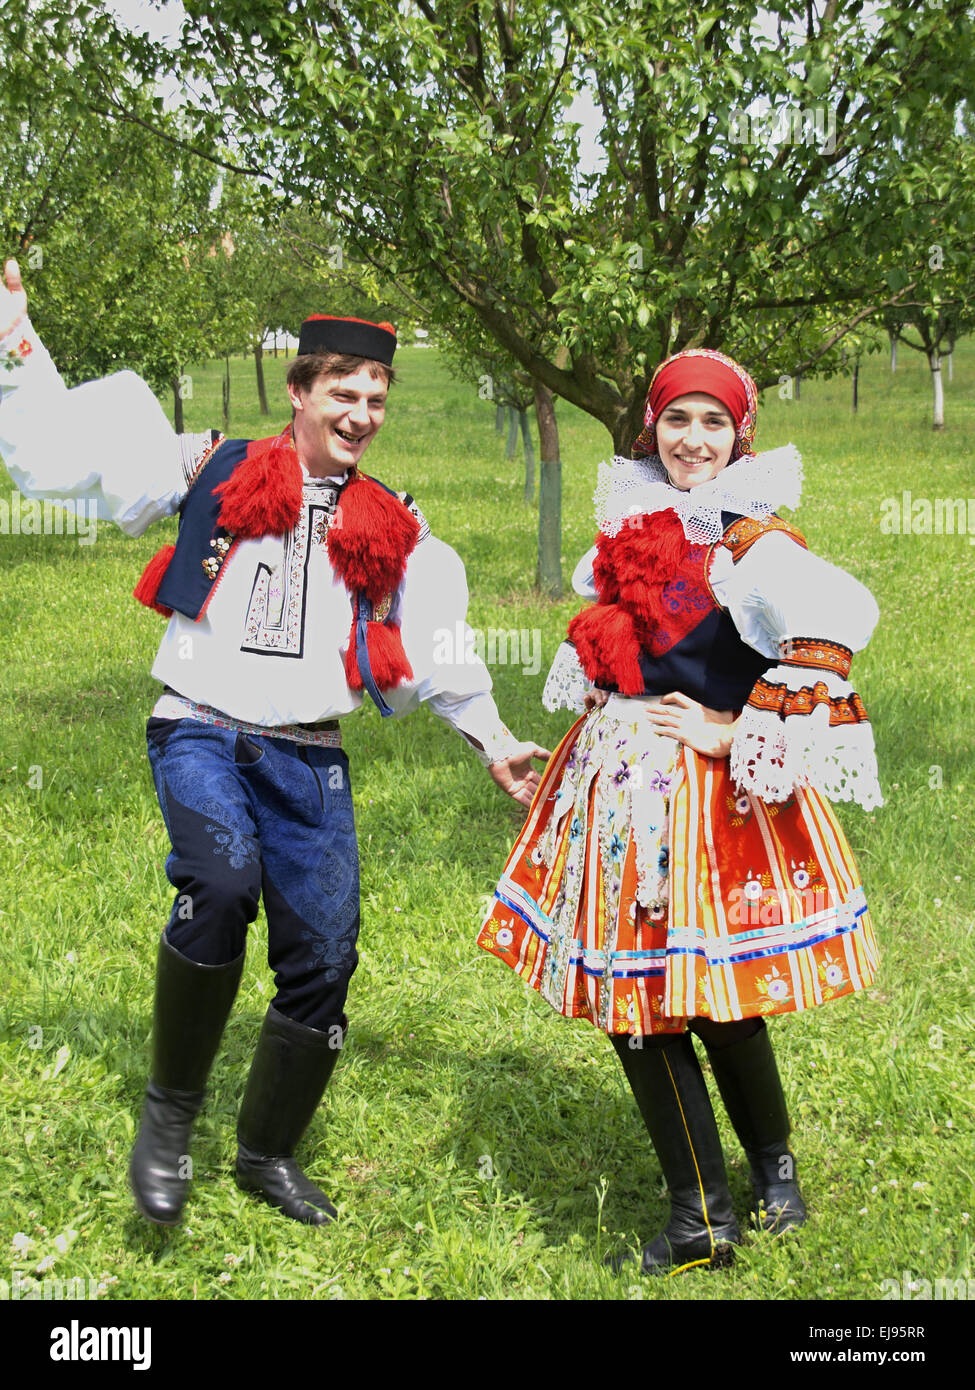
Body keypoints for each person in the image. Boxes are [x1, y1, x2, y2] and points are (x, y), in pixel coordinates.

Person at [0, 258, 549, 1228]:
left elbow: (440, 645)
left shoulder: (395, 525)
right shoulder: (205, 464)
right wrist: (14, 339)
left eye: (376, 395)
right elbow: (56, 459)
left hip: (309, 753)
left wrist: (492, 738)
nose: (363, 409)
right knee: (218, 885)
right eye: (344, 389)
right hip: (199, 727)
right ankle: (169, 1124)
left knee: (326, 956)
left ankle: (265, 1154)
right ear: (299, 393)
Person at [477, 347, 882, 1275]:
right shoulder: (630, 522)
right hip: (617, 785)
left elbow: (832, 627)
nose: (692, 439)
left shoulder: (748, 539)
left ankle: (770, 1176)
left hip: (703, 798)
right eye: (675, 420)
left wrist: (735, 727)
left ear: (739, 435)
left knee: (717, 1000)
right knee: (638, 1004)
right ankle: (705, 1212)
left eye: (712, 422)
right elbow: (615, 650)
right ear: (648, 429)